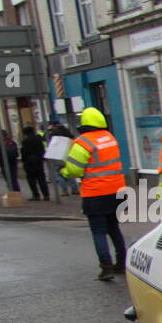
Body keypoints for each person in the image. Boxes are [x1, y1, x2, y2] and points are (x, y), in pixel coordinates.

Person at [59, 107, 127, 281]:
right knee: (114, 228)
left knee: (98, 232)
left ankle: (106, 267)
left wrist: (64, 172)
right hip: (117, 191)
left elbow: (74, 170)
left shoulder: (83, 142)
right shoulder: (110, 138)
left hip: (95, 194)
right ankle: (121, 263)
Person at [44, 121, 76, 196]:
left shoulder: (54, 133)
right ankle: (74, 189)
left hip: (58, 155)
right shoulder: (67, 132)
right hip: (68, 154)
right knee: (70, 172)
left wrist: (49, 130)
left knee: (59, 173)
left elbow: (45, 138)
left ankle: (64, 190)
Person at [20, 126, 49, 201]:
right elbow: (42, 150)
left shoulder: (25, 141)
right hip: (39, 161)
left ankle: (36, 195)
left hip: (29, 163)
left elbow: (24, 153)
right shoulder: (38, 139)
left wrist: (24, 161)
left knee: (31, 180)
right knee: (41, 179)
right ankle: (46, 195)